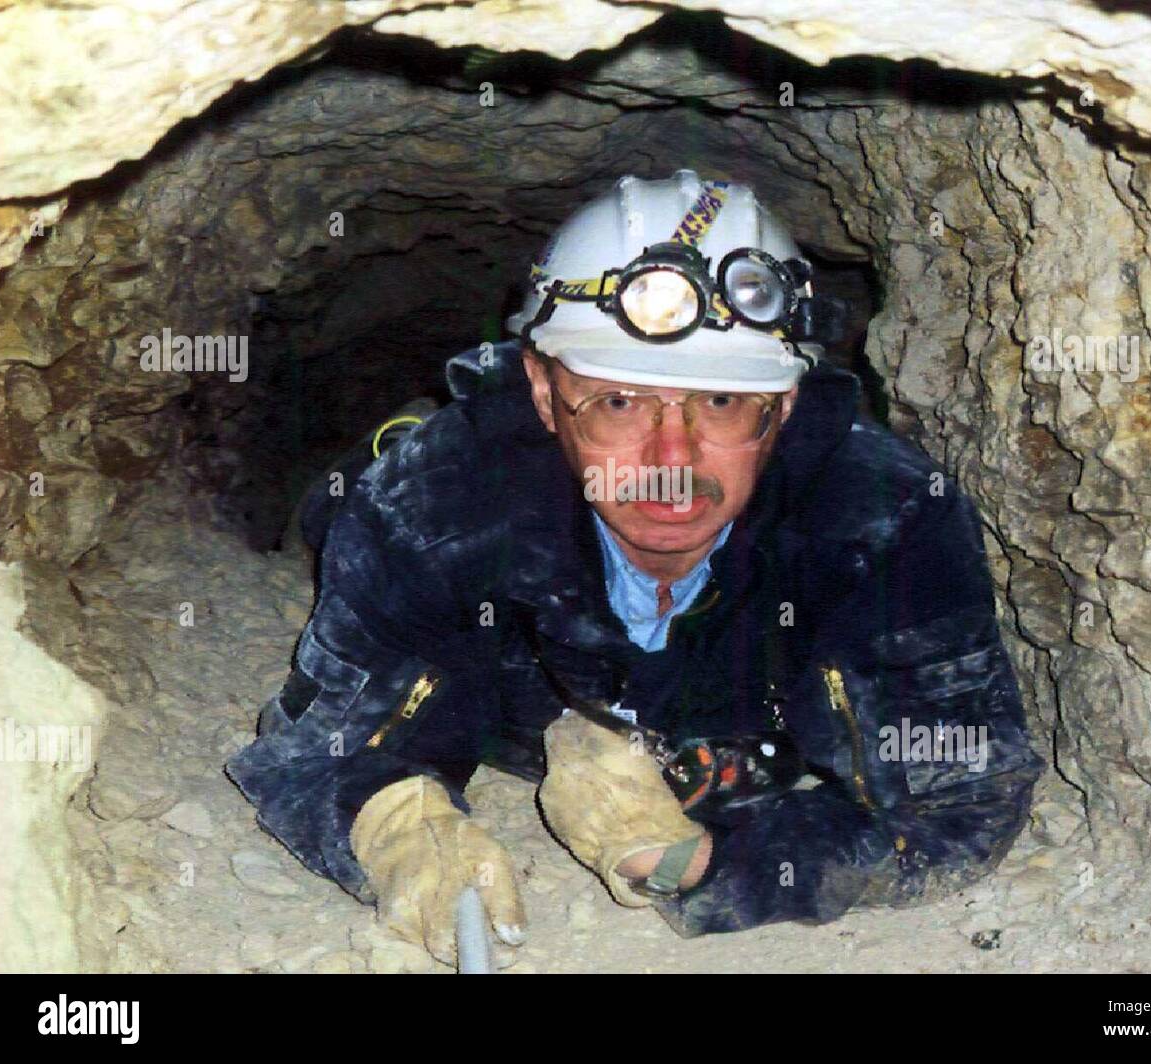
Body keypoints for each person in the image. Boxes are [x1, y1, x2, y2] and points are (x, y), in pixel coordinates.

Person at [225, 168, 1045, 967]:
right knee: (341, 508)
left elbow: (962, 802)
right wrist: (392, 831)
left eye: (722, 402)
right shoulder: (431, 508)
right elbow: (312, 750)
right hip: (495, 648)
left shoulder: (885, 519)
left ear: (787, 404)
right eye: (618, 402)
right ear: (544, 391)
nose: (671, 459)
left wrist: (691, 858)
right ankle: (392, 433)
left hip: (726, 703)